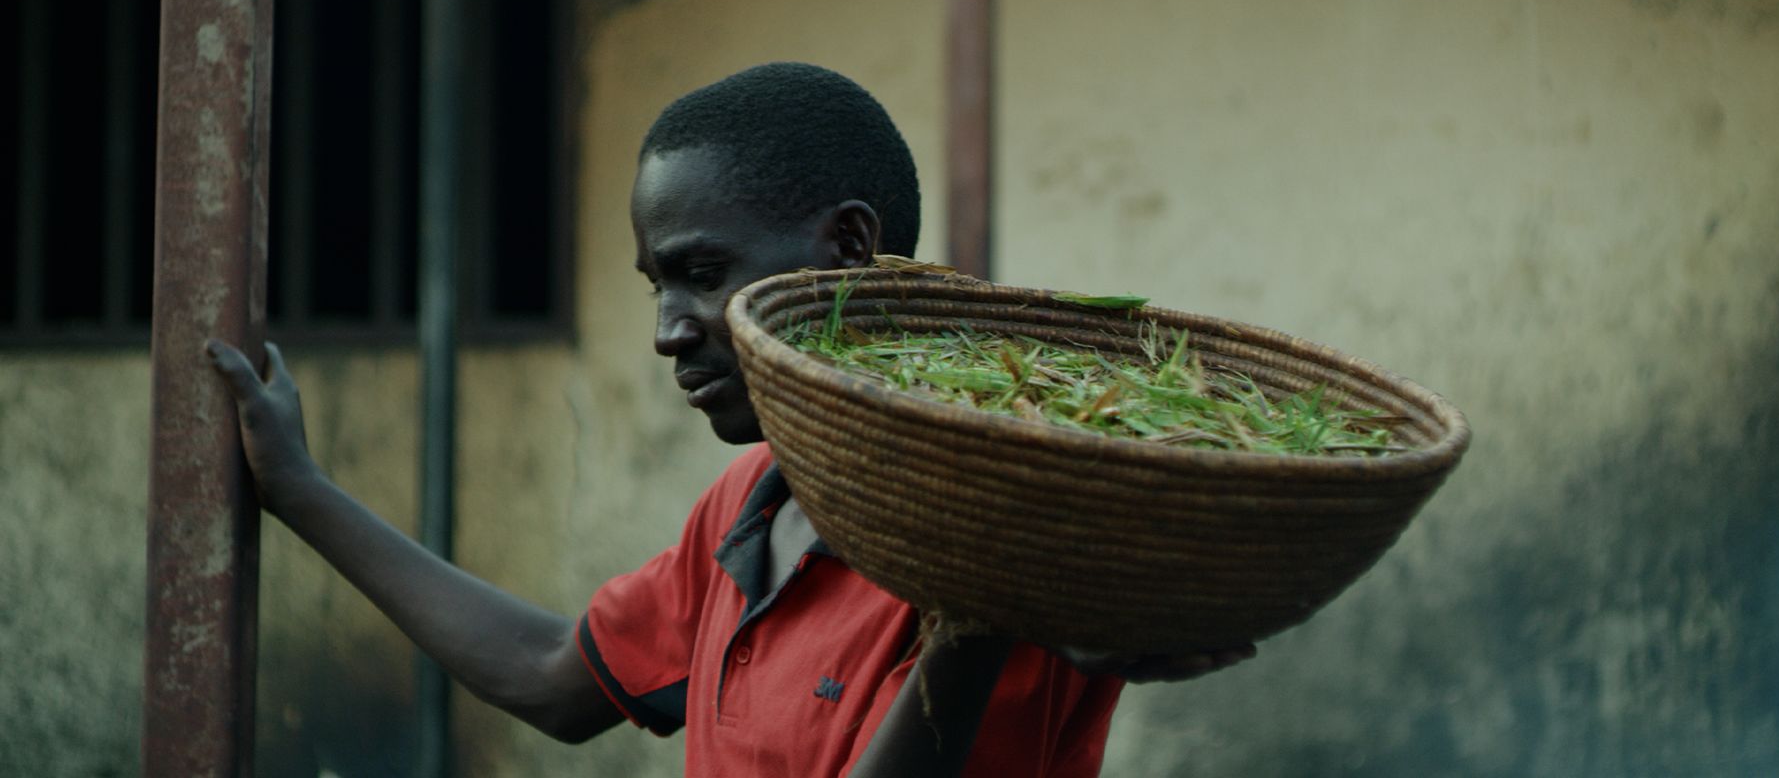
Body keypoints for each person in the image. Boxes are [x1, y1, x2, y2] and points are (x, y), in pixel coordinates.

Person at [208, 62, 1253, 776]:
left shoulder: (1009, 514)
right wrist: (298, 489)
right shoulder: (750, 508)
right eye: (656, 287)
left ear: (848, 249)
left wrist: (978, 616)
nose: (669, 332)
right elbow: (555, 680)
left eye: (702, 274)